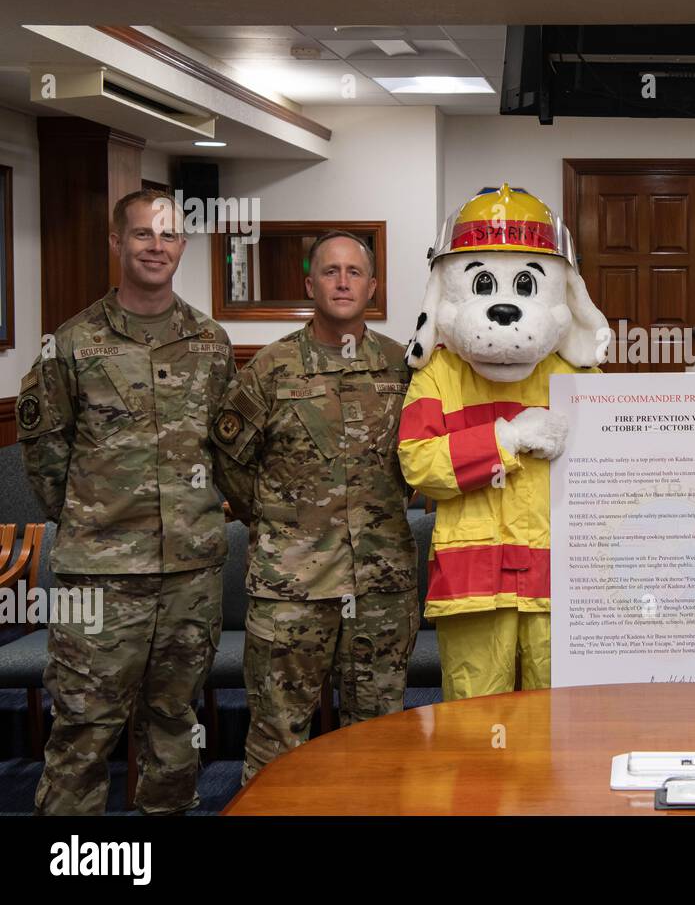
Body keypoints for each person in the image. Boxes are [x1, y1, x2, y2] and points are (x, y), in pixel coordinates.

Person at [19, 189, 233, 814]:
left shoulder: (211, 342)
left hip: (190, 574)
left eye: (167, 237)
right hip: (101, 576)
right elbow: (45, 455)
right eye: (142, 235)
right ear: (116, 243)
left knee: (174, 725)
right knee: (83, 730)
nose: (156, 247)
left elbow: (225, 450)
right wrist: (96, 521)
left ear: (183, 246)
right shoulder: (73, 342)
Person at [210, 231, 418, 784]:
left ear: (373, 286)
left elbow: (423, 455)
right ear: (310, 284)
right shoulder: (271, 369)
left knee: (377, 735)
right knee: (278, 739)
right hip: (291, 590)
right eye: (330, 271)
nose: (343, 281)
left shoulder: (403, 368)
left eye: (354, 272)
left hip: (380, 586)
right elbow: (229, 459)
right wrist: (279, 522)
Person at [398, 184, 607, 700]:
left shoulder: (580, 377)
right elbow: (418, 465)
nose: (505, 307)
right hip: (474, 588)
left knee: (560, 727)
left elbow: (626, 469)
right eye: (484, 283)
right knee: (475, 735)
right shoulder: (438, 376)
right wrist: (505, 440)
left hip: (562, 587)